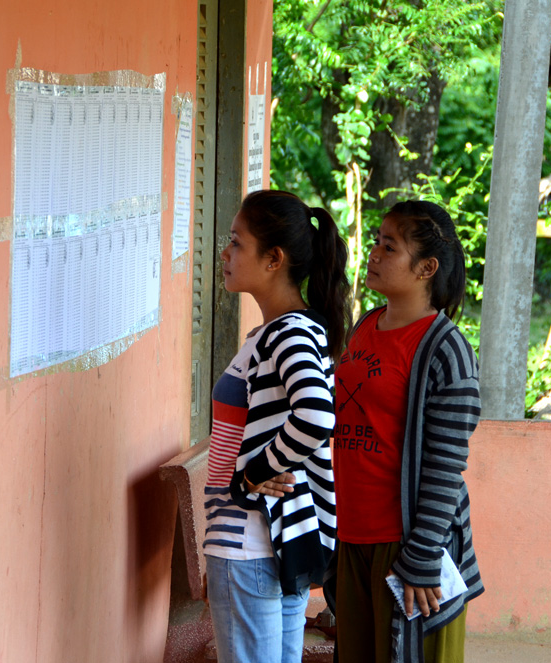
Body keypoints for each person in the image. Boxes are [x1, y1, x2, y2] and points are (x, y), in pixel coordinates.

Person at [202, 189, 351, 663]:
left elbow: (315, 414)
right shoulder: (283, 332)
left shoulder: (287, 333)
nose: (225, 253)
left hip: (250, 542)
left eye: (236, 242)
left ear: (273, 259)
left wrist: (251, 475)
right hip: (274, 543)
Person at [332, 200, 483, 663]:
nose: (374, 253)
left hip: (409, 548)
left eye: (389, 246)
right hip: (353, 538)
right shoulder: (363, 328)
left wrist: (421, 557)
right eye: (376, 242)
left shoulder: (446, 349)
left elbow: (446, 464)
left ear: (427, 268)